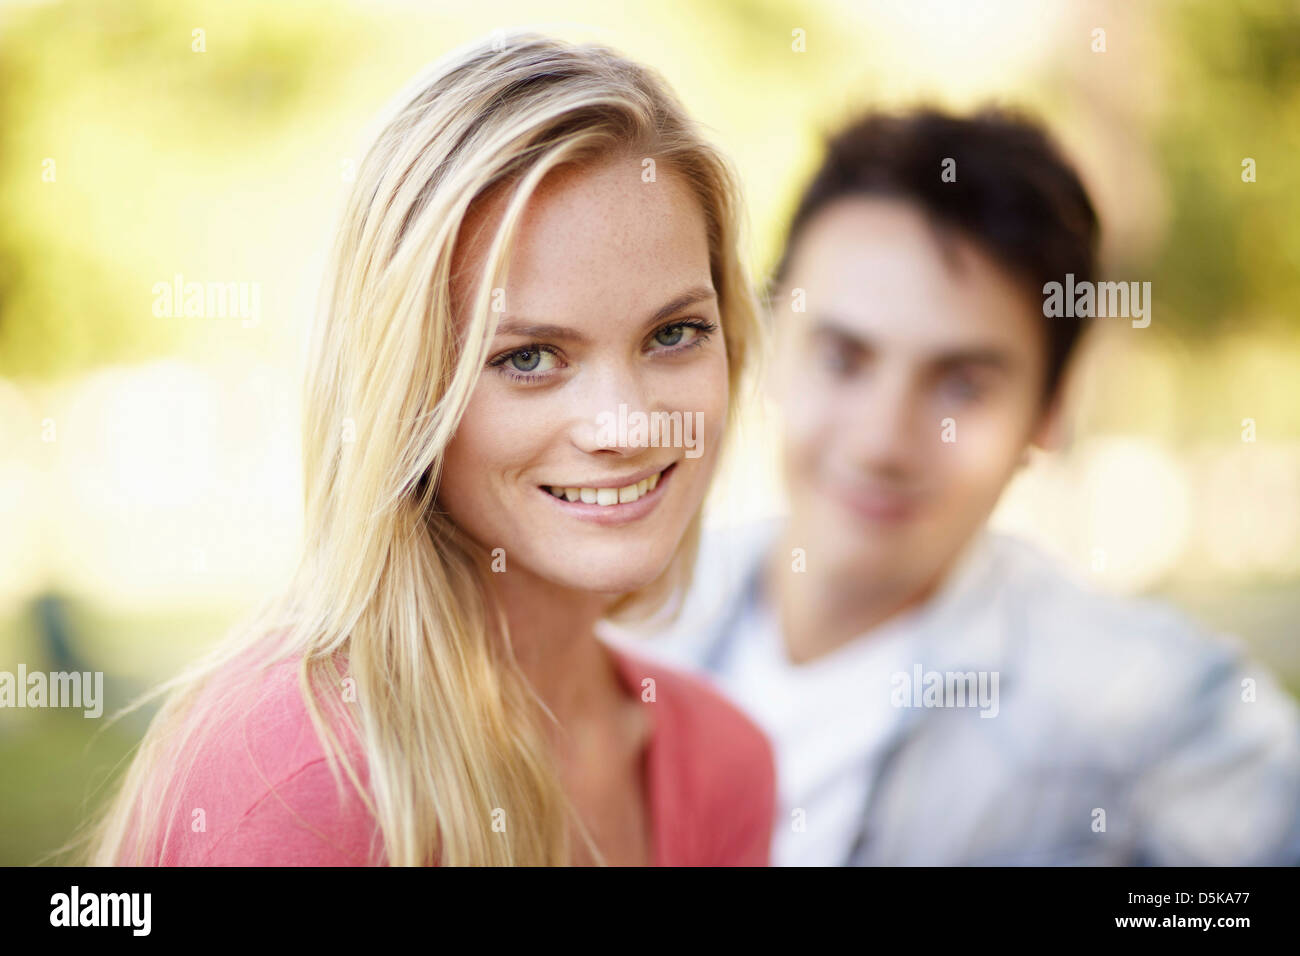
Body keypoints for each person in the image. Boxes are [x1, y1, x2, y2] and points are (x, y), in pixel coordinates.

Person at [80, 31, 774, 867]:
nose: (625, 425)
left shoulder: (725, 763)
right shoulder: (297, 781)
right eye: (527, 357)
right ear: (403, 390)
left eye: (674, 333)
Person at [604, 107, 1300, 865]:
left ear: (1050, 411)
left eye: (961, 386)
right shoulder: (614, 617)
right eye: (843, 358)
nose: (882, 442)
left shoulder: (1149, 708)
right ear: (766, 346)